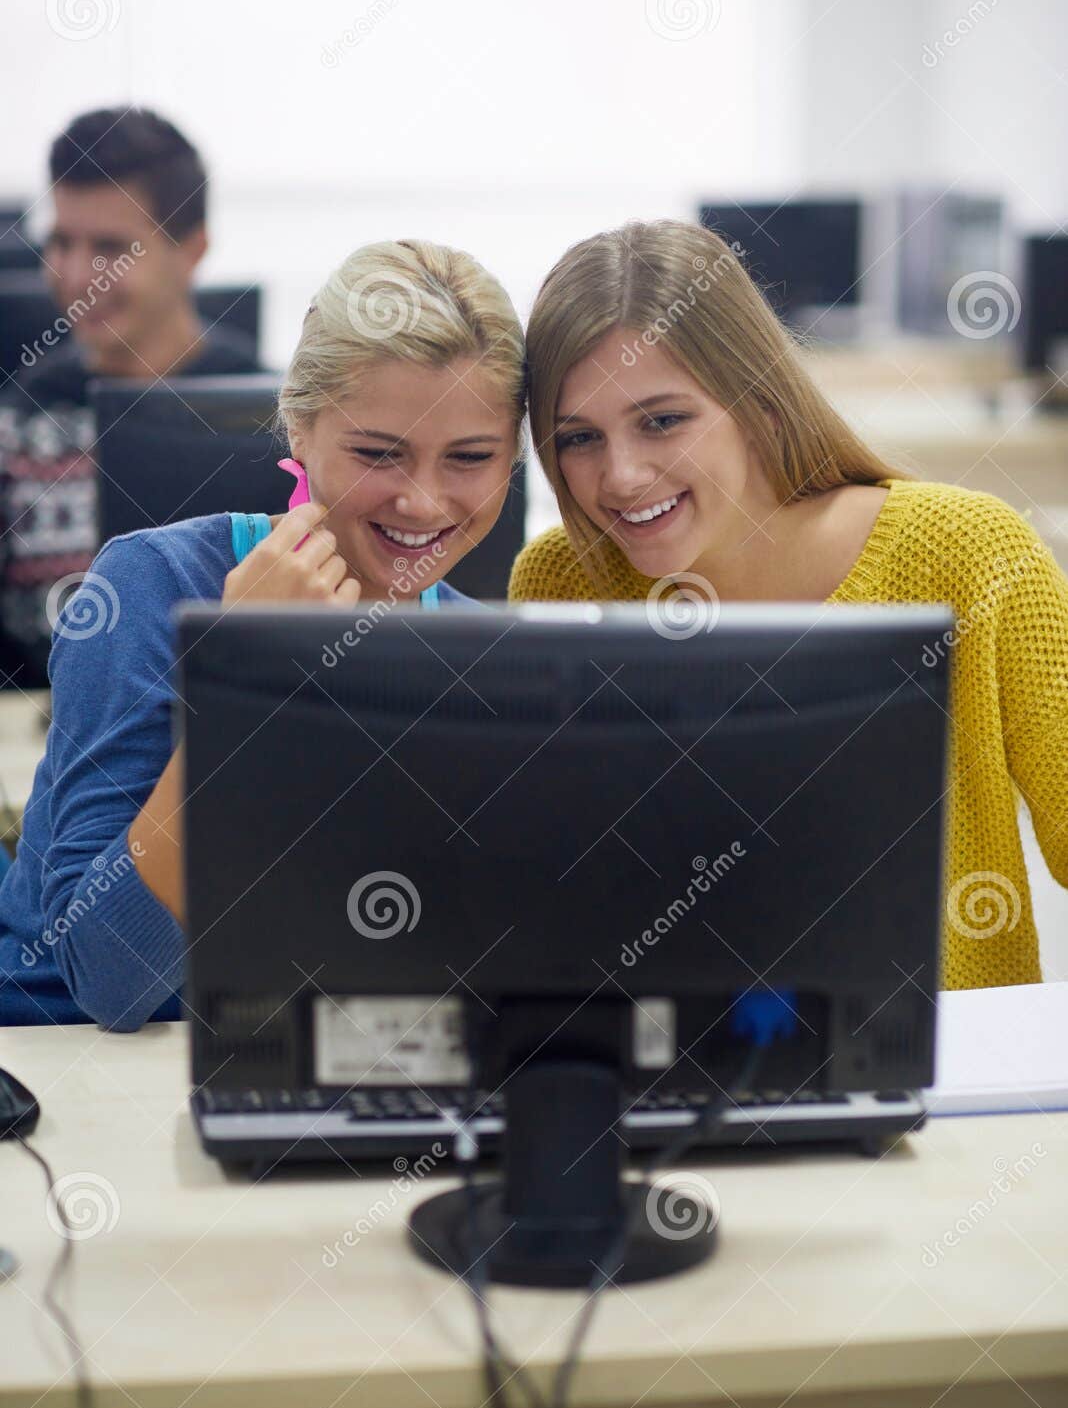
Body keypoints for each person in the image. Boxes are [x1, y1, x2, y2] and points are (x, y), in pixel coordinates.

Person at [509, 218, 1068, 992]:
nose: (622, 476)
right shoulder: (562, 581)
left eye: (662, 421)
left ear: (759, 403)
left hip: (946, 1073)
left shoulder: (967, 551)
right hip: (673, 1063)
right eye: (578, 438)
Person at [0, 239, 525, 1028]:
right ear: (300, 428)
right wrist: (247, 676)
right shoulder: (146, 586)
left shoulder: (488, 656)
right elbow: (111, 981)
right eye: (380, 453)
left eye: (471, 457)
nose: (423, 502)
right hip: (73, 1068)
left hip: (296, 1055)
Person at [0, 107, 262, 688]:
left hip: (215, 720)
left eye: (110, 248)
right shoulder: (17, 413)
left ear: (191, 250)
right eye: (61, 242)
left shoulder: (271, 420)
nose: (73, 274)